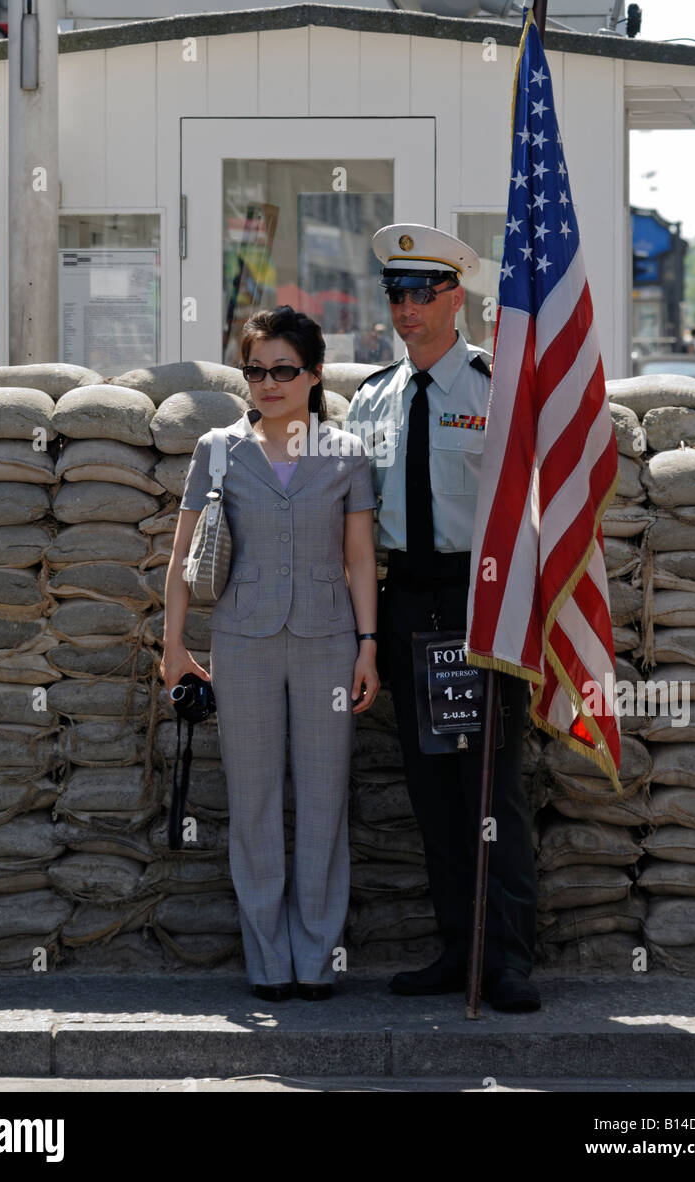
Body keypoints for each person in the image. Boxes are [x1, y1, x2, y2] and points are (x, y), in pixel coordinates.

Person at [346, 224, 539, 1012]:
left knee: (493, 789)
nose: (405, 309)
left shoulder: (494, 388)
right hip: (407, 603)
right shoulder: (372, 398)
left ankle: (507, 960)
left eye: (420, 294)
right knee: (430, 790)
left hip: (481, 599)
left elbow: (529, 508)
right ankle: (456, 949)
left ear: (455, 298)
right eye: (394, 294)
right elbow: (356, 518)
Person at [162, 306, 379, 1002]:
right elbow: (181, 559)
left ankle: (317, 957)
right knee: (252, 801)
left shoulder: (345, 453)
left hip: (326, 645)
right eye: (254, 370)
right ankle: (267, 960)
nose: (267, 383)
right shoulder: (216, 450)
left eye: (283, 370)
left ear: (313, 375)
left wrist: (367, 647)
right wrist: (173, 648)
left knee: (322, 801)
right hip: (243, 644)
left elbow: (358, 560)